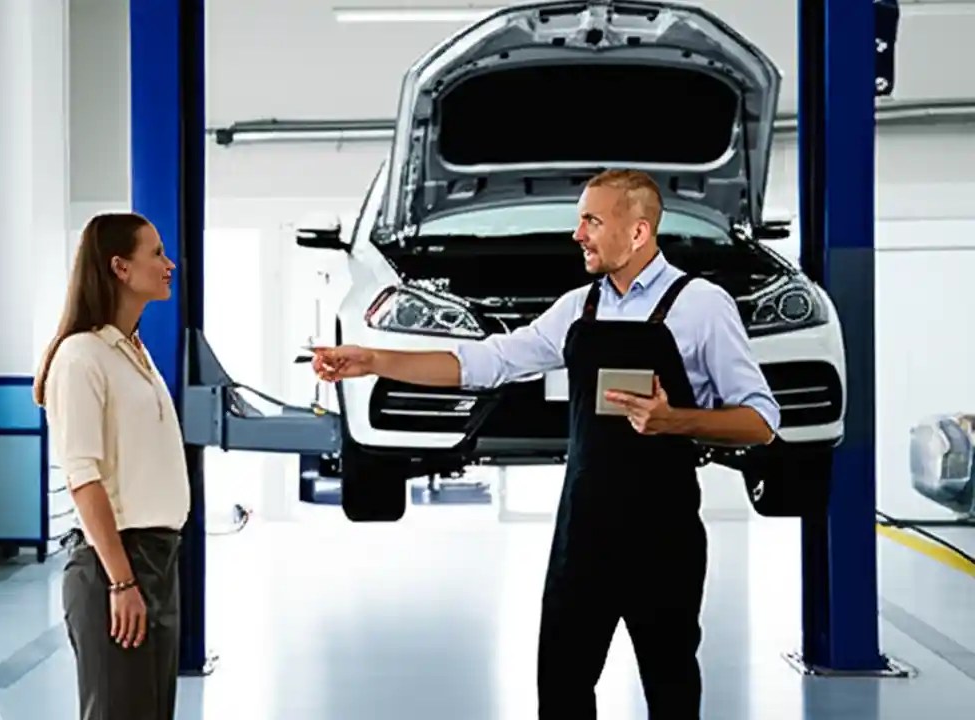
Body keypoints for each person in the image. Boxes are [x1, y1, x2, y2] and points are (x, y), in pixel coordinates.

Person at [311, 169, 781, 719]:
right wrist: (373, 359)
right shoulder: (578, 307)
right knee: (560, 684)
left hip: (663, 534)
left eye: (592, 221)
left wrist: (673, 420)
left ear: (638, 232)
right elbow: (487, 361)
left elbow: (760, 421)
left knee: (670, 683)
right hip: (583, 531)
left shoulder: (701, 305)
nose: (577, 234)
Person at [33, 212, 191, 720]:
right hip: (117, 563)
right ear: (120, 267)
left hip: (158, 559)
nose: (170, 265)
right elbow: (83, 478)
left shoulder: (132, 352)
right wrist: (121, 582)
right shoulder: (82, 357)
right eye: (157, 254)